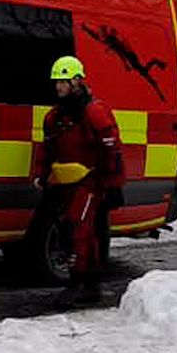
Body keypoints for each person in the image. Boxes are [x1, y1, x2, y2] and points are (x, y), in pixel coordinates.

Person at [38, 56, 125, 307]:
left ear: (77, 80)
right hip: (64, 181)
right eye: (56, 82)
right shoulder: (54, 117)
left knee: (76, 228)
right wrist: (41, 176)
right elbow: (48, 150)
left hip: (90, 180)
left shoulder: (94, 111)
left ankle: (78, 283)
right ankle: (91, 282)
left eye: (63, 82)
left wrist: (114, 184)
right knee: (77, 231)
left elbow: (112, 149)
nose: (58, 87)